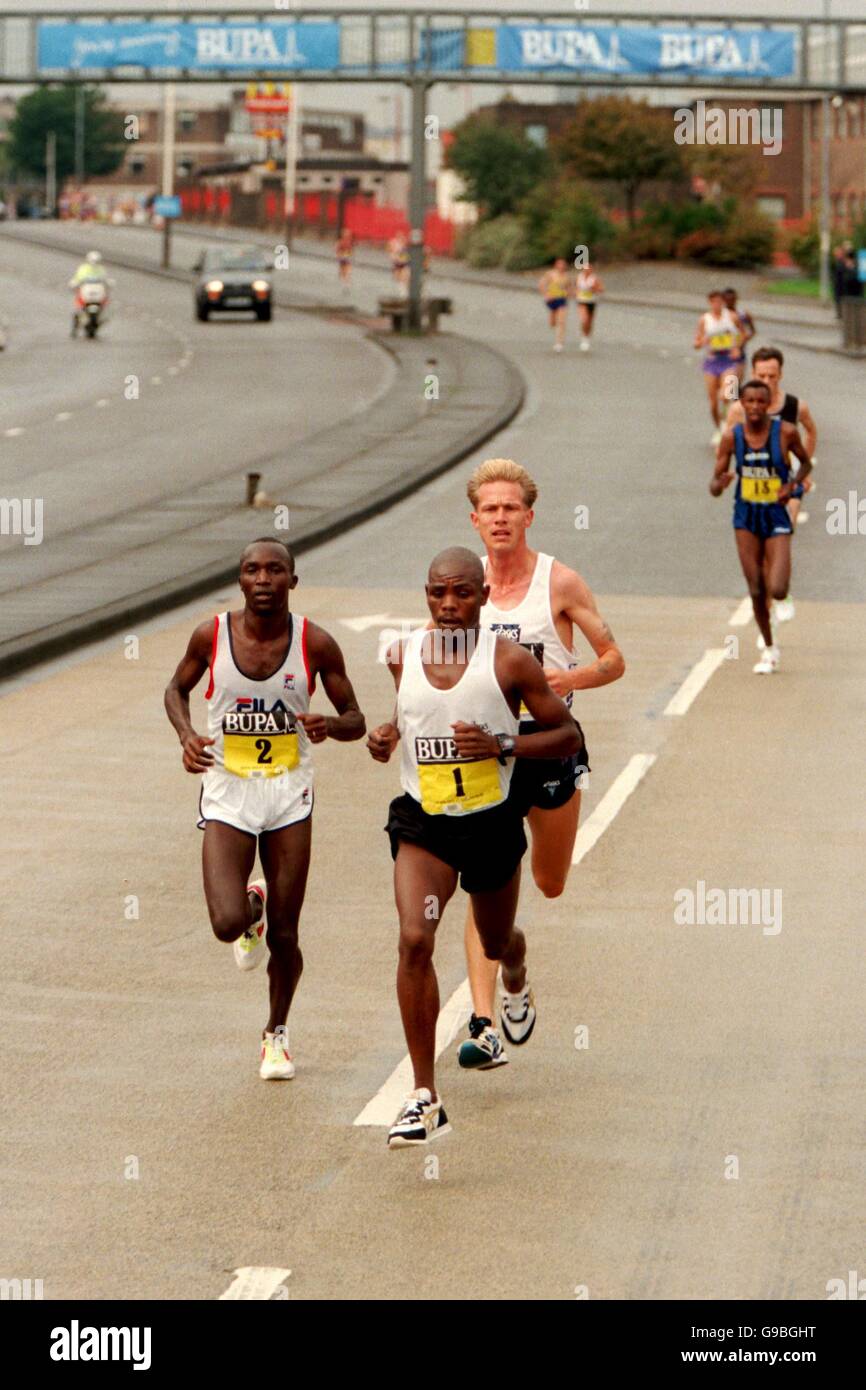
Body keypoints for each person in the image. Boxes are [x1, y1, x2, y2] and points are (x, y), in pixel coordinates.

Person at [367, 548, 580, 1147]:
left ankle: (513, 968)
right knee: (415, 937)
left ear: (484, 597)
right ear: (426, 595)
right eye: (439, 594)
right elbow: (412, 713)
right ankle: (424, 1097)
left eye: (462, 593)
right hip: (424, 824)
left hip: (489, 825)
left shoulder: (508, 661)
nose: (450, 605)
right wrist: (389, 736)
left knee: (494, 938)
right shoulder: (403, 652)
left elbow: (567, 732)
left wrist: (503, 744)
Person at [164, 538, 365, 1080]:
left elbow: (356, 718)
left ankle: (275, 1032)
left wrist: (332, 725)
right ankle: (249, 909)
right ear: (240, 580)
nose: (263, 579)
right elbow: (175, 689)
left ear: (292, 582)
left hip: (287, 795)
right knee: (227, 924)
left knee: (287, 933)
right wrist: (186, 735)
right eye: (252, 569)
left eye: (276, 570)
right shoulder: (211, 635)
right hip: (229, 789)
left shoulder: (315, 644)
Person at [457, 458, 624, 1070]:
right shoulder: (462, 584)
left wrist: (567, 676)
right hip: (487, 754)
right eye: (489, 510)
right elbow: (435, 657)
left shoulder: (560, 583)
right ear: (475, 520)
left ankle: (515, 963)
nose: (500, 518)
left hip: (550, 746)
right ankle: (482, 1023)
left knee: (549, 884)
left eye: (511, 508)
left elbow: (613, 659)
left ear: (529, 516)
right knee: (482, 883)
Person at [710, 382, 811, 674]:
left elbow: (805, 464)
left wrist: (791, 486)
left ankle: (784, 596)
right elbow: (714, 486)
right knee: (755, 588)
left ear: (768, 405)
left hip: (776, 514)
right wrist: (722, 482)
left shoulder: (786, 433)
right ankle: (769, 649)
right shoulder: (732, 438)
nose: (754, 407)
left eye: (760, 402)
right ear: (741, 404)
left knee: (777, 589)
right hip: (746, 516)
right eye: (749, 401)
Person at [725, 345, 818, 621]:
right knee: (762, 558)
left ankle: (781, 593)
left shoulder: (795, 407)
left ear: (781, 375)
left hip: (786, 485)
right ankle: (769, 611)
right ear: (752, 373)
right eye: (761, 375)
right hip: (753, 490)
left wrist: (804, 469)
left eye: (772, 376)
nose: (766, 382)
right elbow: (729, 446)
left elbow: (811, 432)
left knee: (781, 536)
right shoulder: (739, 410)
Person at [694, 289, 743, 446]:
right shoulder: (704, 319)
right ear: (709, 303)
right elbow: (697, 341)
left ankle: (729, 428)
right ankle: (718, 429)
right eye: (713, 302)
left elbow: (742, 334)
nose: (717, 305)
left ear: (723, 302)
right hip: (712, 361)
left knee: (727, 395)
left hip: (729, 361)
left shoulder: (732, 317)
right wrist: (701, 342)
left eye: (719, 302)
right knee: (713, 403)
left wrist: (737, 348)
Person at [68, 250, 108, 338]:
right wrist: (74, 283)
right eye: (93, 260)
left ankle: (99, 319)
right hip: (86, 290)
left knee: (105, 305)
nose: (94, 263)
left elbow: (105, 279)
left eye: (96, 261)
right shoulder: (83, 268)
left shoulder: (101, 269)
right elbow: (77, 278)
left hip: (97, 290)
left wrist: (109, 283)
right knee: (79, 308)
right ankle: (76, 326)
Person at [538, 256, 572, 353]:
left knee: (561, 321)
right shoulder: (550, 274)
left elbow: (569, 288)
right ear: (556, 265)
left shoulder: (567, 276)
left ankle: (559, 343)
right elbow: (541, 284)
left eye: (563, 264)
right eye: (560, 264)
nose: (562, 266)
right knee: (552, 323)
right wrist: (546, 294)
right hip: (551, 300)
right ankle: (555, 326)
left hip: (562, 299)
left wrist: (570, 293)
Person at [722, 287, 756, 383]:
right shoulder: (718, 316)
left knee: (735, 384)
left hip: (739, 354)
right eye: (727, 300)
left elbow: (752, 331)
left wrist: (743, 340)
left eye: (732, 299)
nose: (730, 302)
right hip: (722, 355)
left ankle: (733, 396)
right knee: (728, 386)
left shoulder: (743, 315)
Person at [575, 261, 605, 352]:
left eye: (589, 268)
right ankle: (584, 338)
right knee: (584, 319)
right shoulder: (579, 277)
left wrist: (594, 289)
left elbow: (601, 289)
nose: (587, 270)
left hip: (592, 301)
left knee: (589, 322)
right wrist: (575, 293)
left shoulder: (595, 279)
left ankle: (586, 337)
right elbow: (575, 287)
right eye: (585, 268)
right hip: (581, 301)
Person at [388, 231, 410, 296]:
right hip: (397, 262)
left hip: (403, 262)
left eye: (402, 237)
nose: (401, 238)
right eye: (399, 236)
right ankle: (403, 291)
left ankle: (404, 292)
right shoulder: (392, 242)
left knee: (405, 277)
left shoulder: (404, 244)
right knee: (398, 278)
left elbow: (405, 255)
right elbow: (390, 251)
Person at [335, 228, 354, 292]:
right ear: (342, 236)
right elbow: (337, 251)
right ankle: (343, 280)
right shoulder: (340, 242)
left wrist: (349, 255)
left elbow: (351, 251)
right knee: (342, 272)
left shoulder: (349, 243)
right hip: (342, 259)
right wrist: (340, 256)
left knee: (347, 272)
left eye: (348, 235)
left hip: (347, 259)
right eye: (346, 235)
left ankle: (346, 286)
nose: (347, 237)